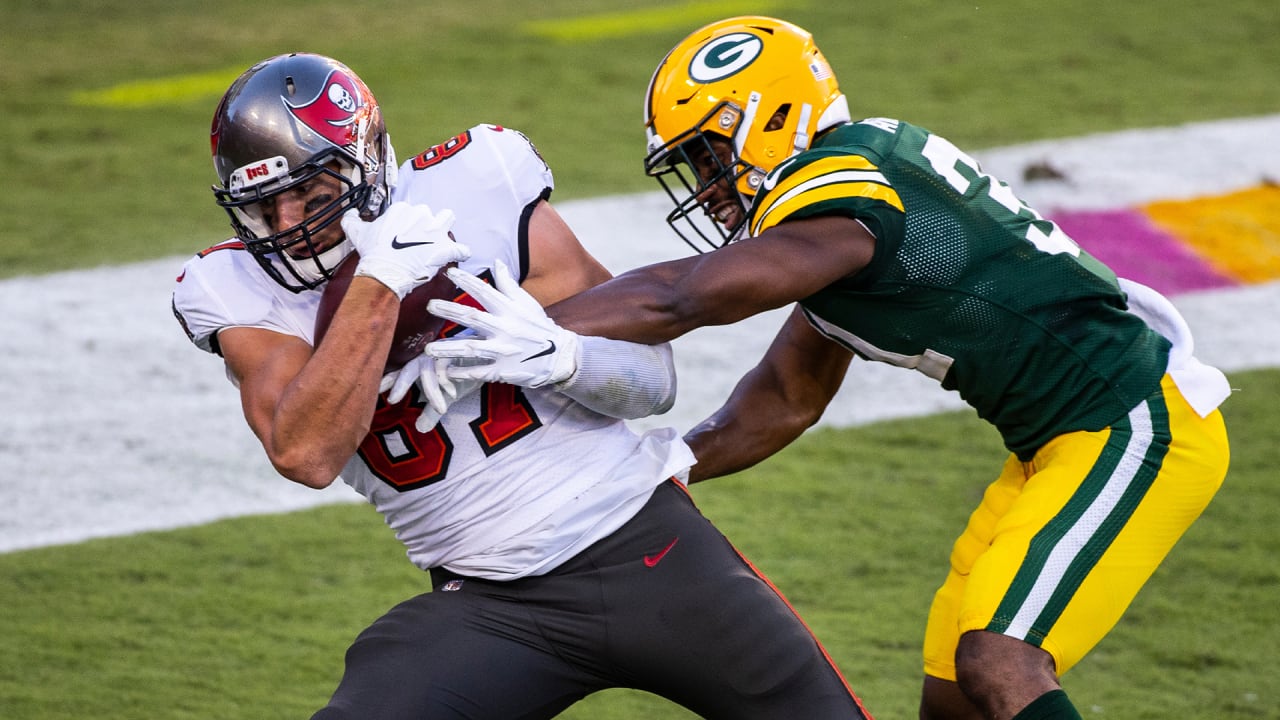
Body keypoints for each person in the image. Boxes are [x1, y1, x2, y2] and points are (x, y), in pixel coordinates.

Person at [430, 16, 1232, 720]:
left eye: (710, 155)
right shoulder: (834, 233)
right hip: (1054, 445)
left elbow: (690, 294)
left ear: (772, 118)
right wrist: (657, 469)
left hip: (1133, 421)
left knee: (1000, 662)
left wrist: (529, 324)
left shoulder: (841, 176)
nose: (707, 187)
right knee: (957, 693)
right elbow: (784, 399)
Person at [171, 52, 874, 720]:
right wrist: (378, 284)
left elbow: (654, 380)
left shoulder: (476, 186)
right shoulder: (233, 287)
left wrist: (562, 355)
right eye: (264, 206)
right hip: (485, 601)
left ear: (366, 162)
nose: (289, 225)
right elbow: (306, 453)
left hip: (648, 545)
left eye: (309, 191)